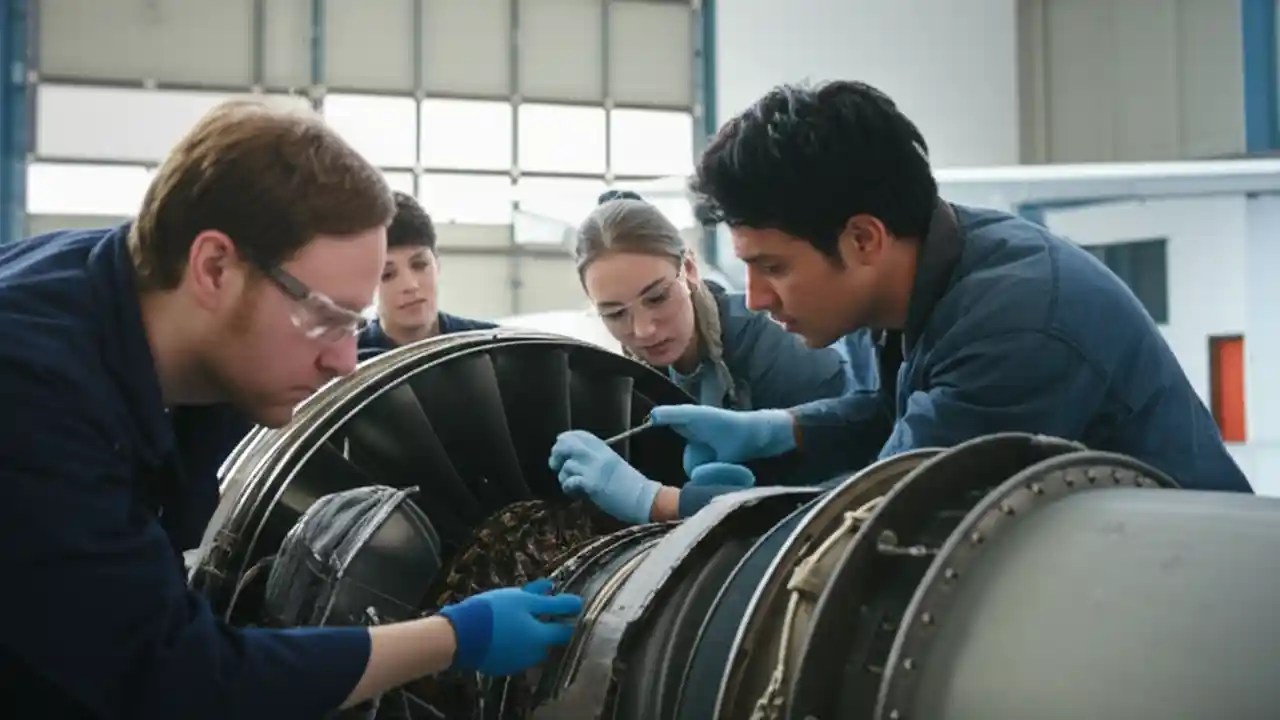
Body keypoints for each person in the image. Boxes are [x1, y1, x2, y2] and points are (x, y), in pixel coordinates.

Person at [0, 99, 581, 719]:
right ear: (215, 267)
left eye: (353, 324)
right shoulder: (31, 393)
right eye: (324, 318)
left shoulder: (140, 297)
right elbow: (179, 682)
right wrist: (454, 639)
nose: (345, 361)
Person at [551, 80, 1252, 521]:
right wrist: (784, 428)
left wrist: (662, 502)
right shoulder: (898, 282)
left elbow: (884, 507)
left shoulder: (1023, 325)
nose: (757, 298)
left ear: (862, 239)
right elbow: (891, 408)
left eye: (773, 268)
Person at [545, 190, 861, 526]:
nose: (644, 330)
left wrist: (659, 501)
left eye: (657, 297)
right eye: (614, 313)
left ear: (690, 269)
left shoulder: (779, 345)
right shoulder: (636, 378)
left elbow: (844, 499)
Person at [357, 191, 498, 359]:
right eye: (387, 275)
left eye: (420, 265)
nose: (410, 285)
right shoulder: (345, 370)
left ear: (437, 263)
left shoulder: (492, 348)